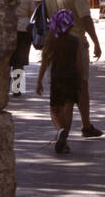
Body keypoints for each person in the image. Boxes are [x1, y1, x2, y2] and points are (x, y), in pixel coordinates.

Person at [44, 0, 103, 137]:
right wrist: (95, 42)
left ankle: (64, 129)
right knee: (81, 85)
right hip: (75, 42)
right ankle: (84, 125)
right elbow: (85, 18)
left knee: (61, 88)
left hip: (56, 42)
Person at [36, 8, 86, 156]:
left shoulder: (51, 41)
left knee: (54, 110)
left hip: (56, 78)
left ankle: (60, 130)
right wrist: (81, 82)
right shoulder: (75, 41)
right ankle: (64, 139)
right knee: (68, 108)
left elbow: (44, 62)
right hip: (71, 78)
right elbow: (79, 65)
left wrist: (39, 81)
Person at [9, 0, 35, 92]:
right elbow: (32, 13)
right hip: (24, 28)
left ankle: (3, 87)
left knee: (6, 59)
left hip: (9, 27)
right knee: (19, 61)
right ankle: (17, 88)